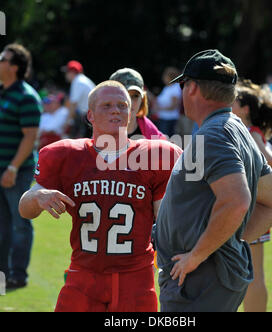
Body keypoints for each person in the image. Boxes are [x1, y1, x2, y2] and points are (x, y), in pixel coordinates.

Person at [19, 80, 182, 312]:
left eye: (122, 105)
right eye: (106, 105)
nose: (116, 110)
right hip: (83, 275)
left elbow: (168, 224)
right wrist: (38, 196)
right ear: (90, 115)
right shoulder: (66, 154)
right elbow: (25, 208)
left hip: (135, 277)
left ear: (131, 113)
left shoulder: (155, 155)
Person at [153, 49, 272, 312]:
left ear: (192, 88)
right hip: (205, 280)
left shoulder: (215, 134)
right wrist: (230, 241)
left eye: (183, 85)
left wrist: (199, 255)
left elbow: (237, 201)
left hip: (198, 283)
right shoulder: (235, 127)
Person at [232, 79, 272, 312]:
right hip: (254, 206)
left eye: (234, 100)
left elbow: (269, 159)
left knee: (251, 272)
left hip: (253, 208)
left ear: (245, 109)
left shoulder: (249, 132)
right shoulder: (251, 131)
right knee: (251, 271)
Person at [0, 43, 42, 288]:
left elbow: (30, 136)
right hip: (2, 167)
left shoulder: (26, 96)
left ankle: (18, 274)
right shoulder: (3, 92)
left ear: (14, 67)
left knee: (19, 222)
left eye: (3, 59)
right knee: (3, 224)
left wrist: (13, 168)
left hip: (16, 170)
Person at [109, 67, 166, 140]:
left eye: (135, 96)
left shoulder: (158, 140)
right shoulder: (95, 134)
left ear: (142, 99)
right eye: (123, 95)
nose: (130, 102)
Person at [62, 60, 95, 138]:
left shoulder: (78, 81)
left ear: (72, 72)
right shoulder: (82, 80)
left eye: (67, 72)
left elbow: (73, 104)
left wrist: (67, 123)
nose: (66, 75)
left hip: (90, 116)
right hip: (92, 115)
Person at [152, 67, 182, 137]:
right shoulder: (167, 87)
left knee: (166, 140)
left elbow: (174, 106)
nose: (163, 78)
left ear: (170, 77)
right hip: (163, 118)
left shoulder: (175, 88)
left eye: (165, 76)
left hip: (169, 119)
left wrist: (159, 109)